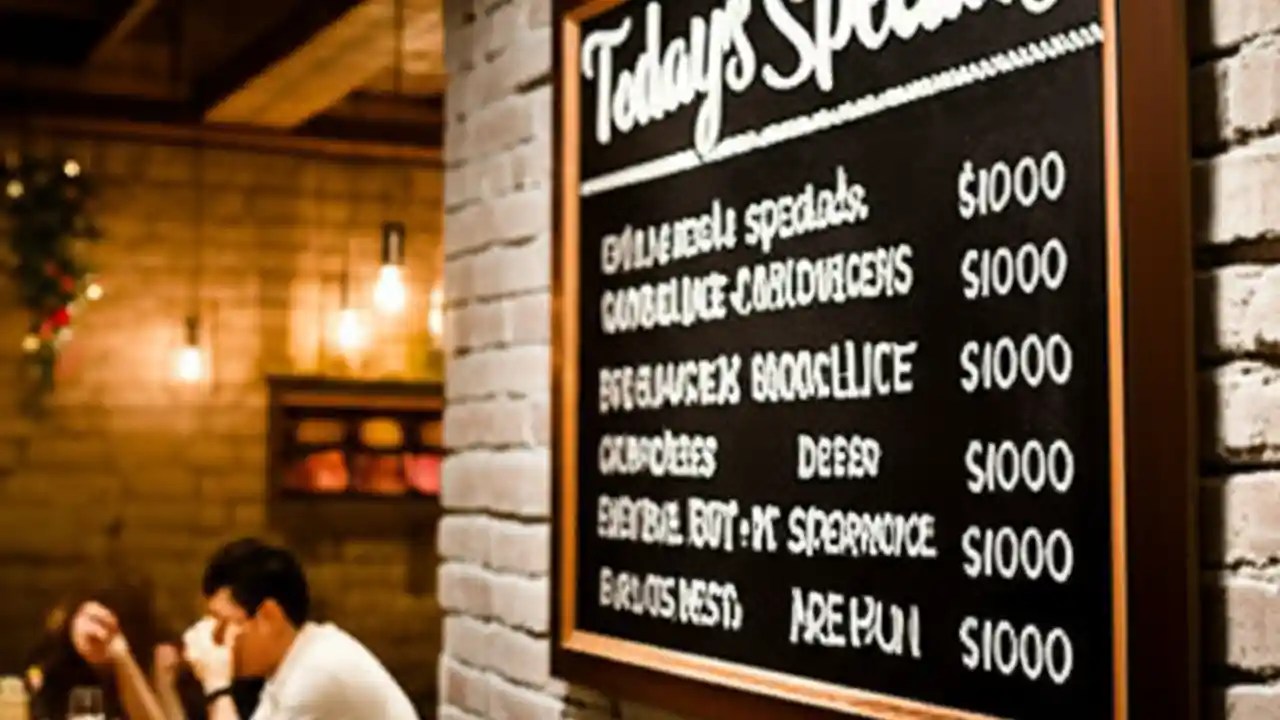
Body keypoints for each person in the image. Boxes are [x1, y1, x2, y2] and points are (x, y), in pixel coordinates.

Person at [183, 538, 418, 720]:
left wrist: (217, 686)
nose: (215, 637)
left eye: (223, 622)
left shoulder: (318, 669)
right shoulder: (292, 663)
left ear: (268, 616)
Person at [30, 582, 203, 720]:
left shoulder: (158, 662)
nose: (97, 632)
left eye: (106, 624)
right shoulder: (59, 666)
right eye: (90, 619)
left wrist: (121, 656)